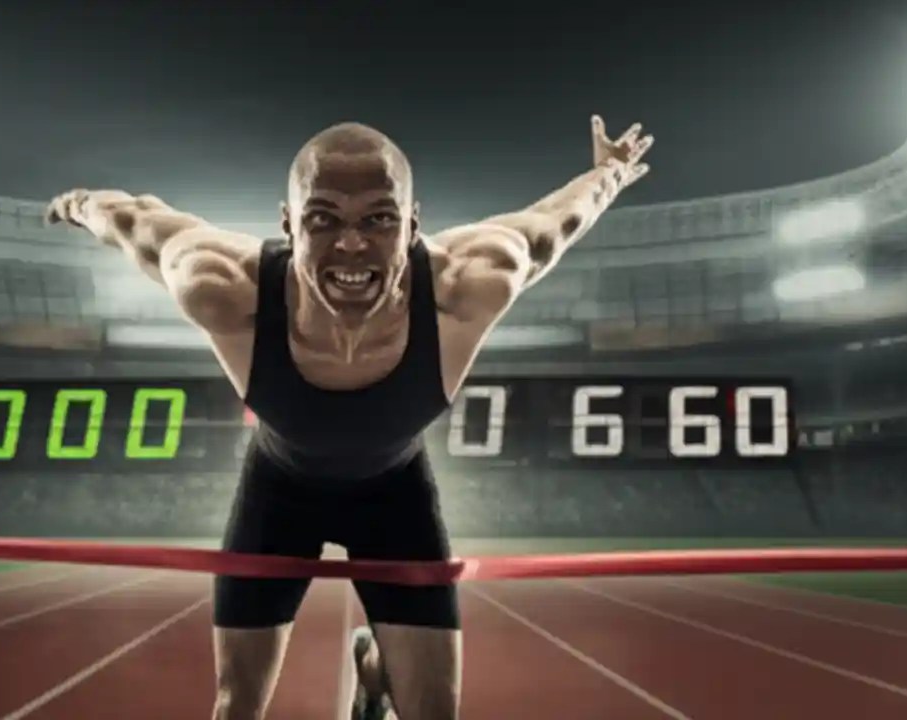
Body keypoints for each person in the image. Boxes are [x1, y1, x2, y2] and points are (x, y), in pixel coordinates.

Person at [45, 115, 652, 720]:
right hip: (276, 497)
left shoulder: (468, 285)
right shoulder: (224, 288)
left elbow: (554, 223)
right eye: (323, 219)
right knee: (236, 708)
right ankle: (367, 665)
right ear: (289, 225)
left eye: (380, 219)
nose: (352, 245)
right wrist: (79, 204)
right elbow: (133, 220)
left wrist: (610, 172)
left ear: (413, 225)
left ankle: (373, 679)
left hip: (396, 499)